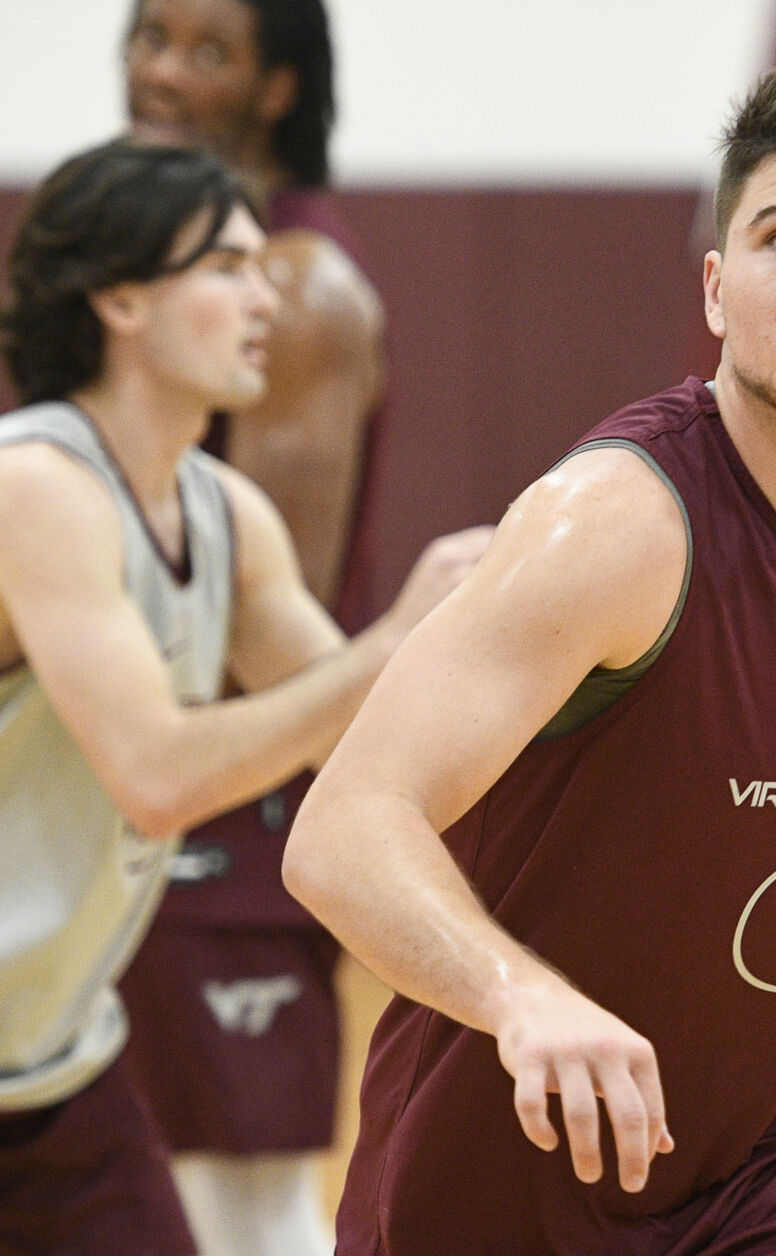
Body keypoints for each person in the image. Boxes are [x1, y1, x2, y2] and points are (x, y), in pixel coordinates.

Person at [283, 56, 776, 1256]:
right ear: (716, 285)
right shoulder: (615, 527)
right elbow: (342, 829)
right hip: (512, 1160)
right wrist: (517, 994)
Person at [0, 139, 487, 1256]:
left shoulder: (224, 512)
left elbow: (369, 739)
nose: (266, 293)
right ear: (120, 297)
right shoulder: (36, 486)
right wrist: (395, 636)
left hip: (56, 1067)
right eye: (225, 266)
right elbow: (161, 773)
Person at [114, 2, 396, 1251]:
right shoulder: (169, 269)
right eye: (150, 34)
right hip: (133, 790)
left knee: (240, 1209)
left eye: (207, 49)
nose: (161, 69)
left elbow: (268, 611)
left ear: (279, 87)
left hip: (237, 816)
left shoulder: (296, 287)